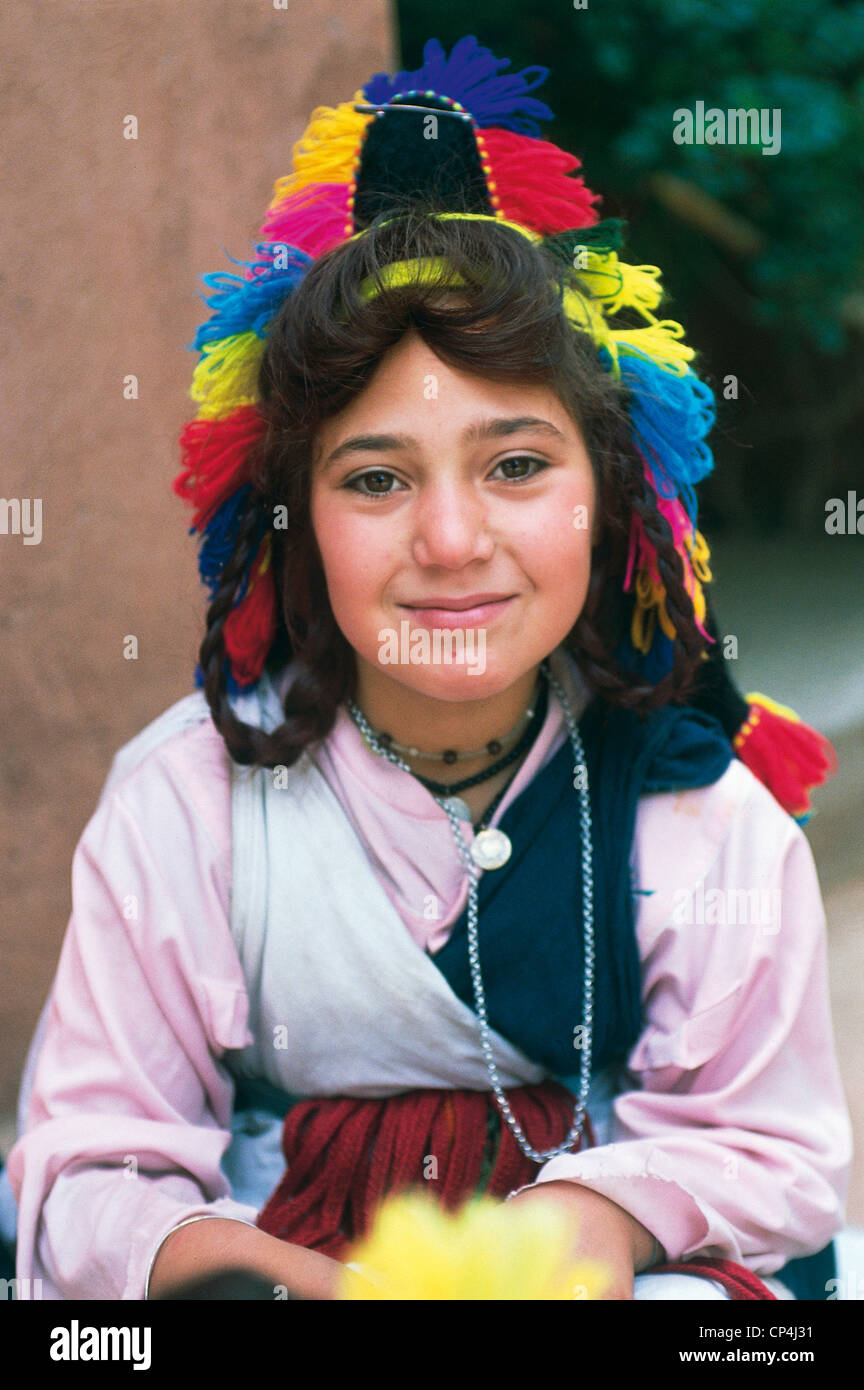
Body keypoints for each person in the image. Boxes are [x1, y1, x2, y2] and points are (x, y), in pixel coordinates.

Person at [7, 35, 851, 1302]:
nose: (452, 543)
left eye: (517, 466)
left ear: (612, 504)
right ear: (292, 519)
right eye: (376, 478)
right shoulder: (183, 806)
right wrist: (272, 1274)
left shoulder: (698, 816)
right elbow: (83, 1175)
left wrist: (598, 1222)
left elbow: (774, 1157)